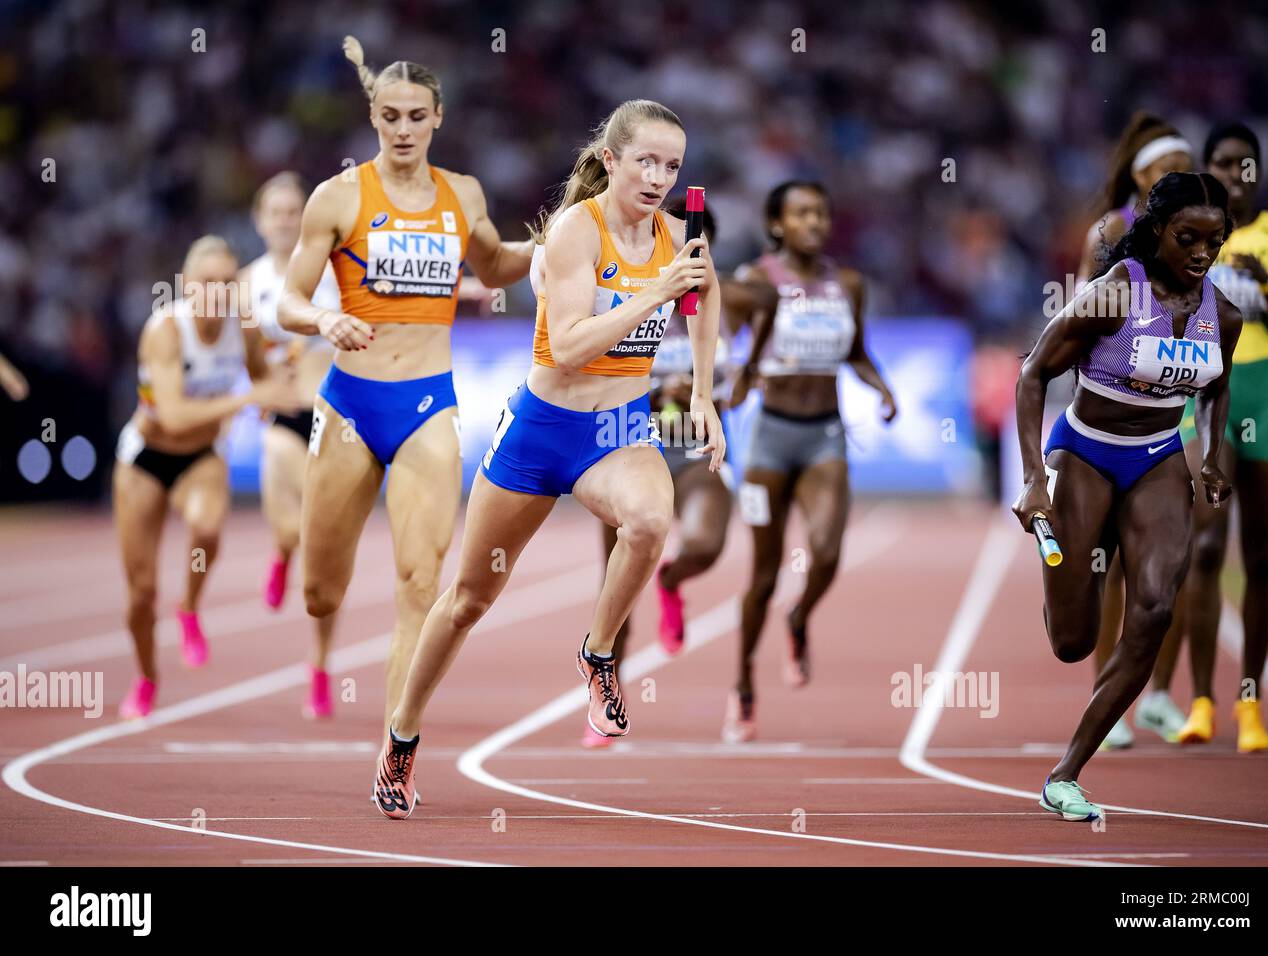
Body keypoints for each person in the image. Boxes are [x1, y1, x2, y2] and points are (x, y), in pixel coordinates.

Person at [374, 99, 723, 819]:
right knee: (469, 597)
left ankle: (599, 654)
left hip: (617, 432)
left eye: (673, 166)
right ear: (613, 159)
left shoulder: (678, 235)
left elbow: (706, 292)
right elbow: (566, 346)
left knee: (652, 523)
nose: (659, 177)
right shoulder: (575, 231)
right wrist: (654, 292)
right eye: (647, 161)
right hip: (540, 432)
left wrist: (706, 395)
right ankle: (401, 738)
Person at [277, 37, 533, 732]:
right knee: (320, 595)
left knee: (421, 584)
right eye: (389, 116)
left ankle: (397, 743)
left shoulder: (462, 194)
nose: (402, 130)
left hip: (428, 404)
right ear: (373, 117)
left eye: (415, 116)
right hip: (349, 405)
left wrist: (551, 239)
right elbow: (287, 302)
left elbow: (500, 265)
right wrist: (325, 317)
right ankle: (321, 634)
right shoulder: (337, 197)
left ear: (437, 117)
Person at [1014, 172, 1241, 821]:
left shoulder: (1223, 313)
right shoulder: (1114, 294)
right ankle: (1065, 570)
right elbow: (1033, 372)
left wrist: (1214, 453)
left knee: (1152, 610)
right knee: (1073, 642)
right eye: (1187, 238)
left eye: (1214, 241)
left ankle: (1067, 771)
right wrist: (1034, 476)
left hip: (1157, 460)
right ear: (1157, 232)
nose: (1202, 253)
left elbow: (1217, 384)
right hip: (1084, 452)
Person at [721, 180, 896, 744]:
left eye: (820, 212)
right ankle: (743, 681)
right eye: (800, 214)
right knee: (764, 575)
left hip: (824, 435)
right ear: (777, 224)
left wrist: (883, 388)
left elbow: (859, 353)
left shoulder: (848, 284)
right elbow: (712, 325)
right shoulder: (755, 281)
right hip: (769, 439)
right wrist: (733, 378)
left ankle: (799, 619)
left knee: (826, 551)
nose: (814, 222)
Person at [115, 235, 298, 718]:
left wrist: (277, 388)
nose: (217, 292)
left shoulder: (247, 328)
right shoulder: (166, 330)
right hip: (147, 456)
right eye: (206, 283)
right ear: (187, 286)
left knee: (207, 528)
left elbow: (262, 377)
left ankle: (190, 607)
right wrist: (246, 402)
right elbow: (173, 415)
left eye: (225, 282)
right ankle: (147, 677)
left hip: (201, 456)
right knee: (140, 592)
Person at [579, 197, 736, 749]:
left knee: (707, 544)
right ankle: (604, 691)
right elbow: (593, 365)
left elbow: (752, 375)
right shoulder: (633, 293)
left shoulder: (726, 304)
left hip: (694, 453)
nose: (697, 259)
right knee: (613, 583)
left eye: (705, 249)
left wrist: (712, 393)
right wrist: (656, 393)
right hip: (625, 446)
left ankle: (672, 581)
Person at [1174, 122, 1268, 752]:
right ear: (1208, 170)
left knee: (1259, 554)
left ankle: (1250, 704)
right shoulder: (1194, 237)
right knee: (1203, 548)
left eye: (1245, 164)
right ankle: (1202, 702)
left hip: (1267, 390)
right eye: (1223, 164)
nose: (1234, 174)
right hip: (1207, 392)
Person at [1078, 112, 1195, 750]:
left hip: (1178, 399)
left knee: (1171, 562)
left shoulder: (1198, 224)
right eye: (1160, 170)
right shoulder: (1110, 229)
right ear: (1138, 175)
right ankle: (1108, 695)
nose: (1172, 176)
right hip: (1110, 397)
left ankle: (1158, 696)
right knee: (1107, 559)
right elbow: (1081, 305)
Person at [243, 171, 343, 718]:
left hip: (330, 417)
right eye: (274, 211)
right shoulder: (245, 283)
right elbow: (237, 351)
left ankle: (320, 666)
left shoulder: (330, 273)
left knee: (323, 552)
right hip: (283, 420)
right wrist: (259, 386)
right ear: (259, 221)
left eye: (292, 211)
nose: (283, 220)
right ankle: (281, 551)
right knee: (292, 531)